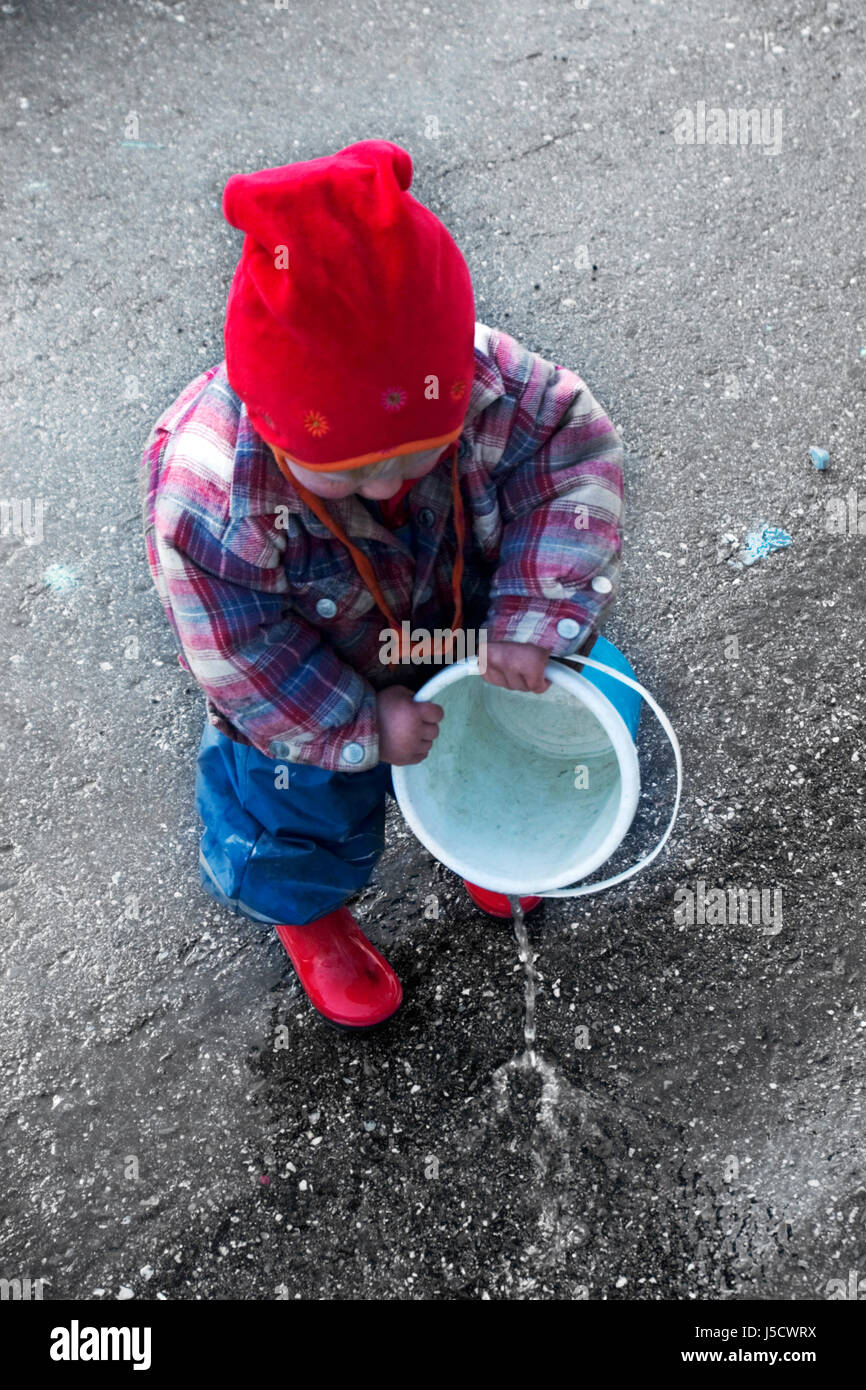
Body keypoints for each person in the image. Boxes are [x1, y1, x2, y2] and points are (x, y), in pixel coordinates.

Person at [141, 139, 624, 1030]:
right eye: (348, 472)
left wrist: (534, 614)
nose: (386, 485)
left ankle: (487, 823)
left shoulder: (493, 384)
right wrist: (360, 723)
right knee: (294, 800)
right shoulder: (211, 500)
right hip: (313, 678)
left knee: (499, 716)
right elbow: (243, 657)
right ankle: (312, 914)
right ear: (274, 423)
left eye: (415, 455)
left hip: (466, 624)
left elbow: (572, 468)